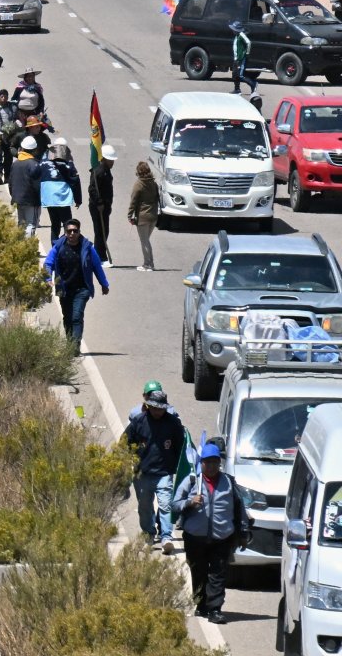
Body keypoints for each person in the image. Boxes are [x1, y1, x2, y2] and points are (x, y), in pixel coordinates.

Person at [173, 439, 251, 623]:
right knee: (198, 571)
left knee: (218, 573)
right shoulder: (192, 481)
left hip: (222, 538)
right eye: (207, 462)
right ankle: (201, 604)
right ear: (201, 463)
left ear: (219, 463)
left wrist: (243, 533)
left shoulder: (229, 483)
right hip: (195, 538)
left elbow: (239, 509)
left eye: (215, 462)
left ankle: (215, 609)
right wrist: (190, 502)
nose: (211, 466)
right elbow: (174, 504)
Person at [121, 384, 187, 547]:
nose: (158, 412)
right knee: (145, 507)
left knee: (165, 505)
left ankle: (166, 537)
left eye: (161, 409)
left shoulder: (173, 424)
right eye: (155, 408)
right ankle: (149, 533)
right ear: (148, 406)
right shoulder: (138, 422)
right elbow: (124, 444)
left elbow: (180, 446)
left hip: (164, 473)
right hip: (142, 473)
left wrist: (177, 466)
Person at [40, 219, 109, 350]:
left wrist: (104, 284)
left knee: (77, 316)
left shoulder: (87, 248)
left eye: (75, 231)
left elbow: (96, 266)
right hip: (64, 288)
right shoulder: (58, 247)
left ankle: (75, 346)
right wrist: (48, 278)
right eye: (69, 231)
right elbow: (48, 263)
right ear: (65, 233)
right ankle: (70, 342)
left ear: (79, 232)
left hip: (82, 289)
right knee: (67, 317)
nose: (72, 233)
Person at [125, 160, 160, 271]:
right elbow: (158, 199)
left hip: (143, 217)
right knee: (146, 240)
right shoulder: (153, 183)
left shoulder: (138, 184)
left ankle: (148, 264)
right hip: (153, 217)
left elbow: (133, 201)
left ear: (139, 172)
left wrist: (130, 215)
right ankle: (148, 263)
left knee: (144, 241)